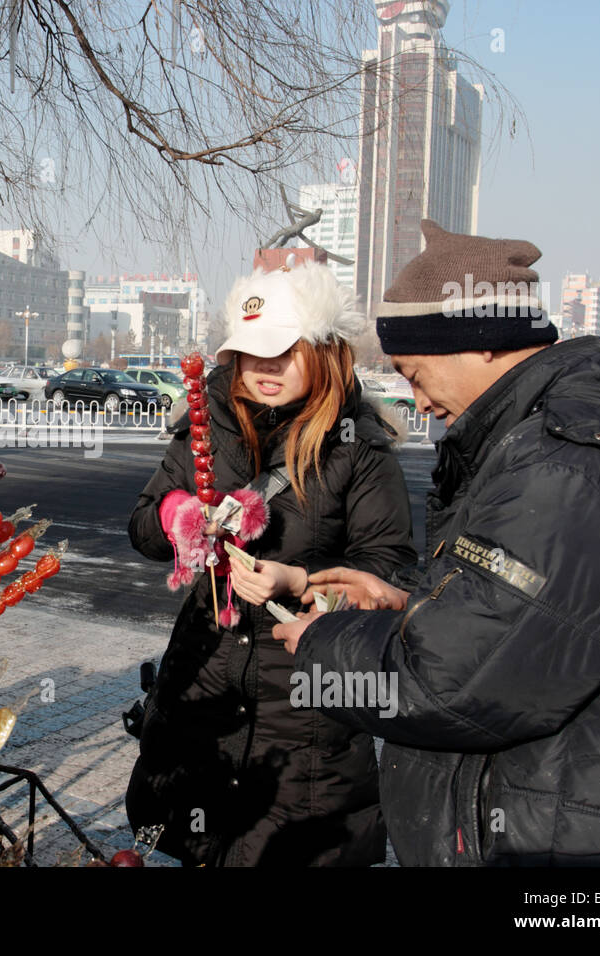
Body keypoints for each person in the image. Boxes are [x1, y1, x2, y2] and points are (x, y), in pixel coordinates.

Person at [274, 220, 600, 865]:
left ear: (482, 343)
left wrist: (320, 643)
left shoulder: (566, 460)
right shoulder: (572, 431)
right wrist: (407, 604)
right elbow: (531, 620)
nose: (416, 402)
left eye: (416, 374)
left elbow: (449, 682)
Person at [126, 261, 417, 865]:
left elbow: (389, 576)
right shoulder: (205, 427)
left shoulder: (358, 448)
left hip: (306, 708)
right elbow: (144, 524)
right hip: (203, 688)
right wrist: (177, 519)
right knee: (201, 843)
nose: (264, 367)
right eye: (250, 352)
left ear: (326, 350)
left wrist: (303, 582)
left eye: (283, 352)